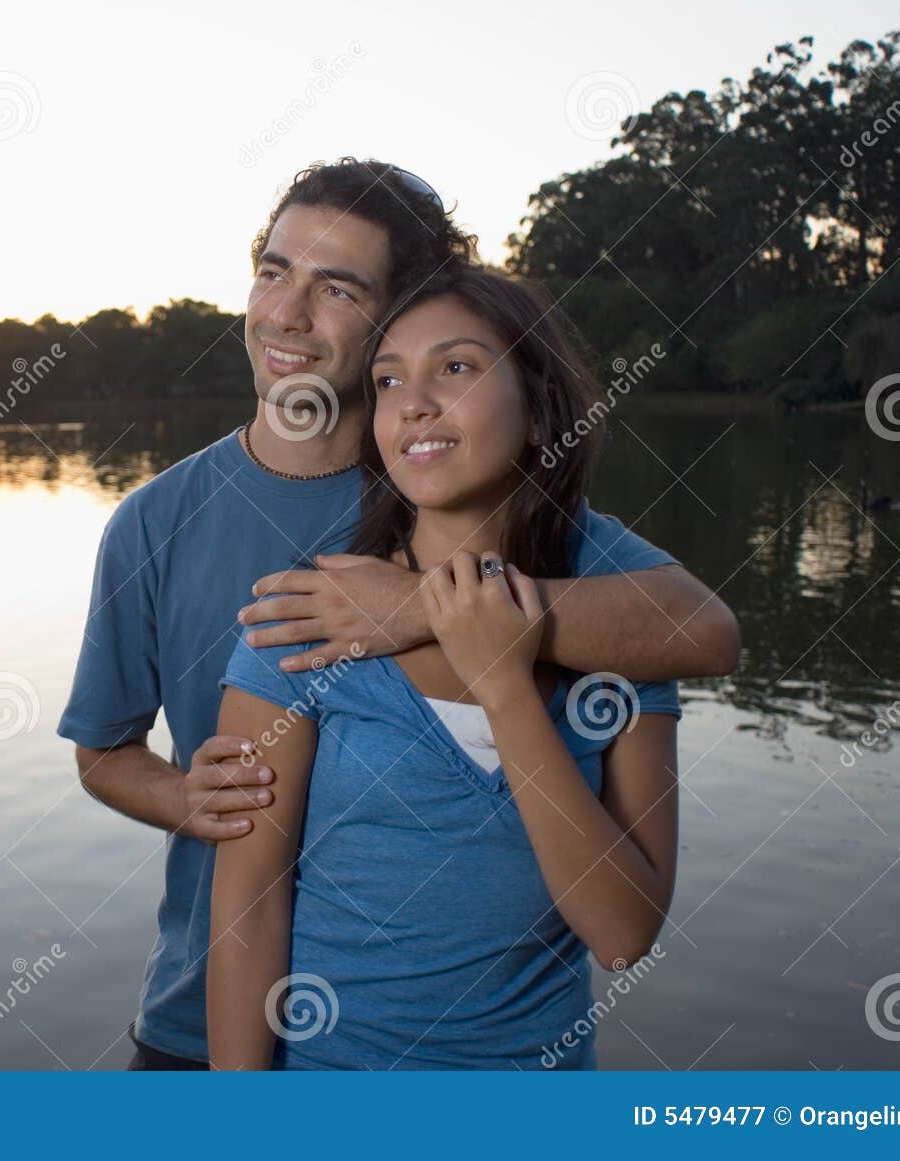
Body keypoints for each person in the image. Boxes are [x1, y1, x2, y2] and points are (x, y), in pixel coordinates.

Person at [57, 158, 739, 1070]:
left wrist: (418, 606)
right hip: (209, 1018)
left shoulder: (466, 484)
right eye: (273, 271)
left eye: (335, 287)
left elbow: (698, 630)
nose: (288, 314)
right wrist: (189, 797)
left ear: (409, 312)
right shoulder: (153, 521)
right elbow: (103, 754)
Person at [208, 266, 684, 1069]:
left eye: (456, 368)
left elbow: (624, 933)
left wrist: (507, 687)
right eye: (389, 379)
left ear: (538, 408)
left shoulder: (619, 639)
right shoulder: (302, 623)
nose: (415, 401)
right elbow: (249, 915)